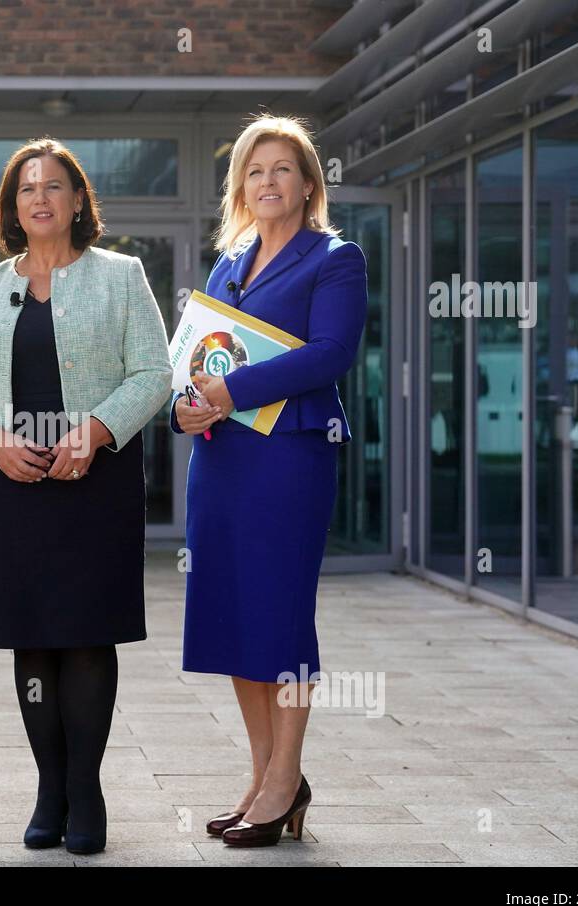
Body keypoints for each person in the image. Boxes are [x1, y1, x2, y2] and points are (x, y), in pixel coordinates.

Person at [0, 139, 172, 854]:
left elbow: (154, 372)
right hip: (16, 484)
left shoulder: (121, 276)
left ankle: (86, 790)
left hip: (95, 482)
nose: (39, 197)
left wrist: (96, 431)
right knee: (32, 638)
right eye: (25, 188)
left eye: (54, 185)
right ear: (12, 207)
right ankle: (49, 786)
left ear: (77, 201)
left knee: (87, 637)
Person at [172, 114, 367, 848]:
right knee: (233, 615)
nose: (268, 181)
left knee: (279, 616)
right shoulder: (228, 266)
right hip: (220, 459)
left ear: (309, 182)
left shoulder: (335, 258)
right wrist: (184, 409)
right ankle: (262, 778)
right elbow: (195, 359)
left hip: (290, 460)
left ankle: (287, 775)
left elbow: (330, 353)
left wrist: (232, 391)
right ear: (240, 187)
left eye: (283, 168)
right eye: (256, 171)